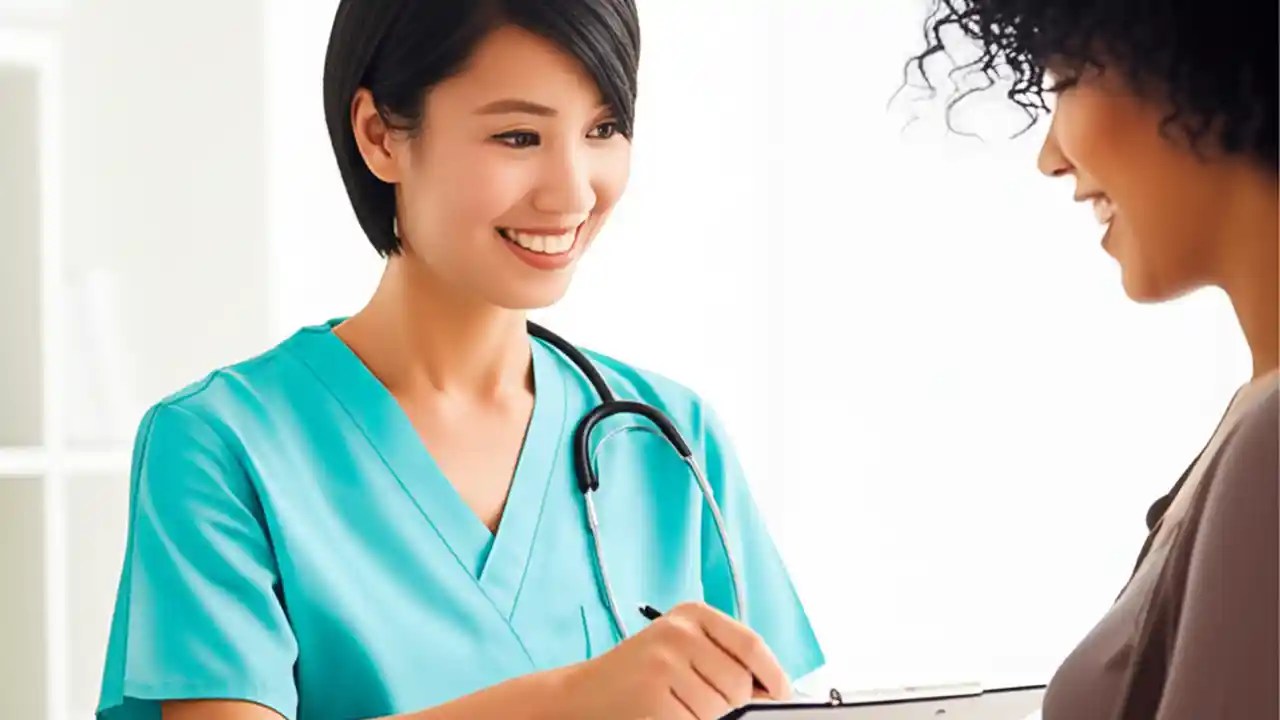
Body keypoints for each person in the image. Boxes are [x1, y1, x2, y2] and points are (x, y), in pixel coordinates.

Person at [95, 2, 824, 719]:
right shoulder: (222, 446)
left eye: (603, 128)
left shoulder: (669, 439)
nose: (573, 191)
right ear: (379, 135)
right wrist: (570, 702)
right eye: (517, 136)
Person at [906, 1, 1278, 718]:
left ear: (1206, 68)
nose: (1051, 157)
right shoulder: (1251, 416)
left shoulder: (1275, 438)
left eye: (1069, 79)